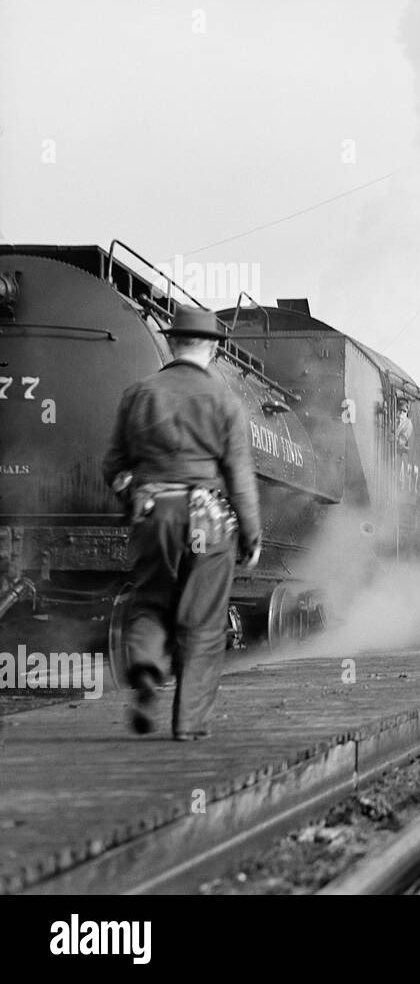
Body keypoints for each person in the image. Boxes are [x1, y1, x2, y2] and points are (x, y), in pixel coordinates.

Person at [102, 306, 261, 740]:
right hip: (206, 519)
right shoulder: (225, 401)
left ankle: (147, 670)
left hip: (154, 513)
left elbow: (113, 464)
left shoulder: (138, 393)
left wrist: (134, 499)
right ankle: (189, 725)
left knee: (150, 601)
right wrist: (251, 535)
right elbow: (240, 478)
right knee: (203, 621)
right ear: (211, 347)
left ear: (172, 343)